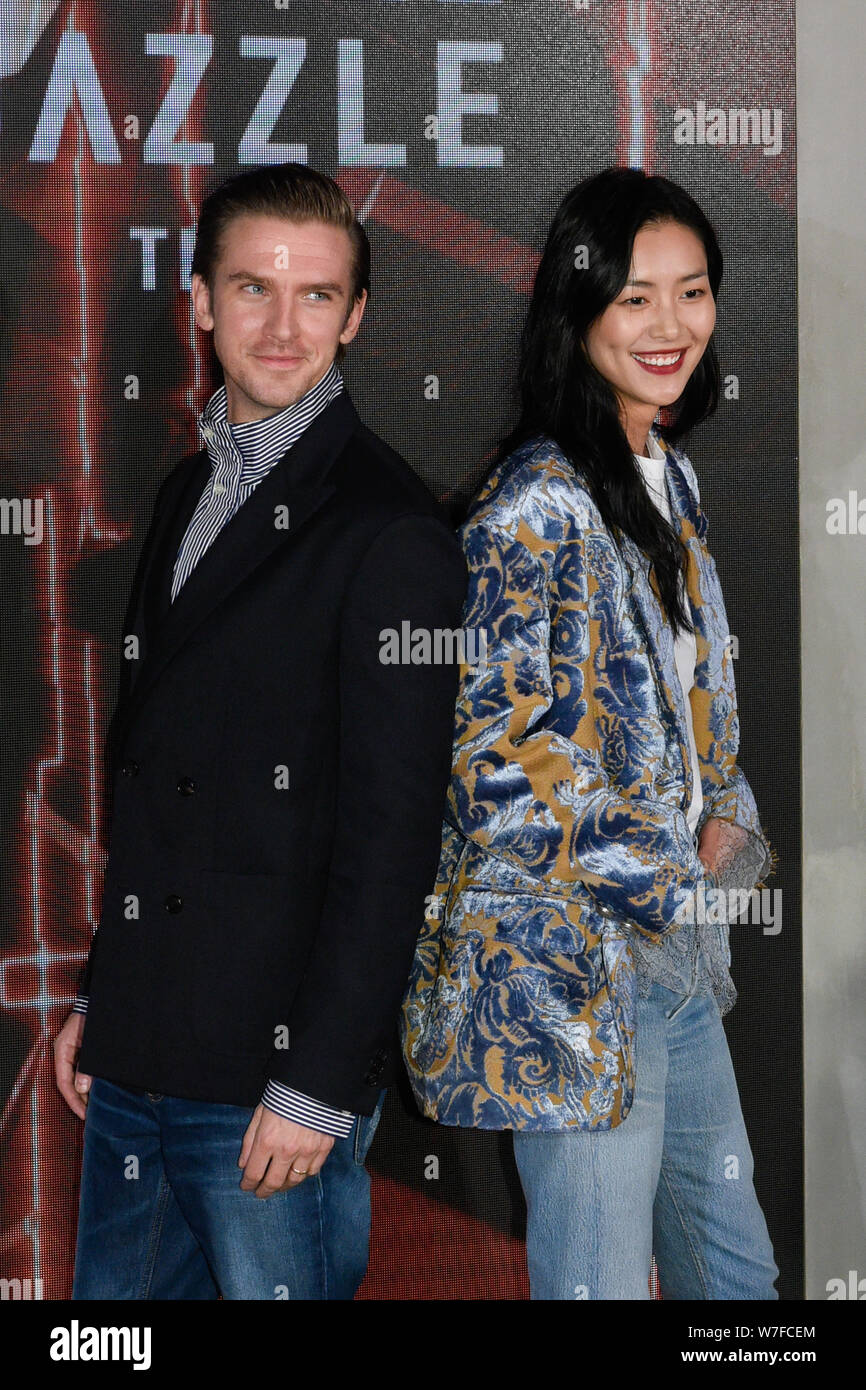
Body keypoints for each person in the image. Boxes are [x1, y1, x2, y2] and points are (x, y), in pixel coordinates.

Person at [53, 162, 466, 1300]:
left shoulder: (391, 530)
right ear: (198, 300)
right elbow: (150, 785)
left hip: (267, 1089)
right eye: (252, 289)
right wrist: (102, 997)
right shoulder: (183, 494)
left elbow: (396, 840)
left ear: (355, 315)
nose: (283, 328)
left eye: (315, 295)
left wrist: (318, 1082)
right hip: (137, 1056)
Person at [402, 166, 780, 1300]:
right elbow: (500, 769)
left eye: (692, 292)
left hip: (674, 964)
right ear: (577, 313)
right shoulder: (533, 505)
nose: (670, 326)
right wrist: (670, 876)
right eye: (634, 297)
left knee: (736, 1282)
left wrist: (725, 821)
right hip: (569, 977)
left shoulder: (669, 476)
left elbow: (689, 713)